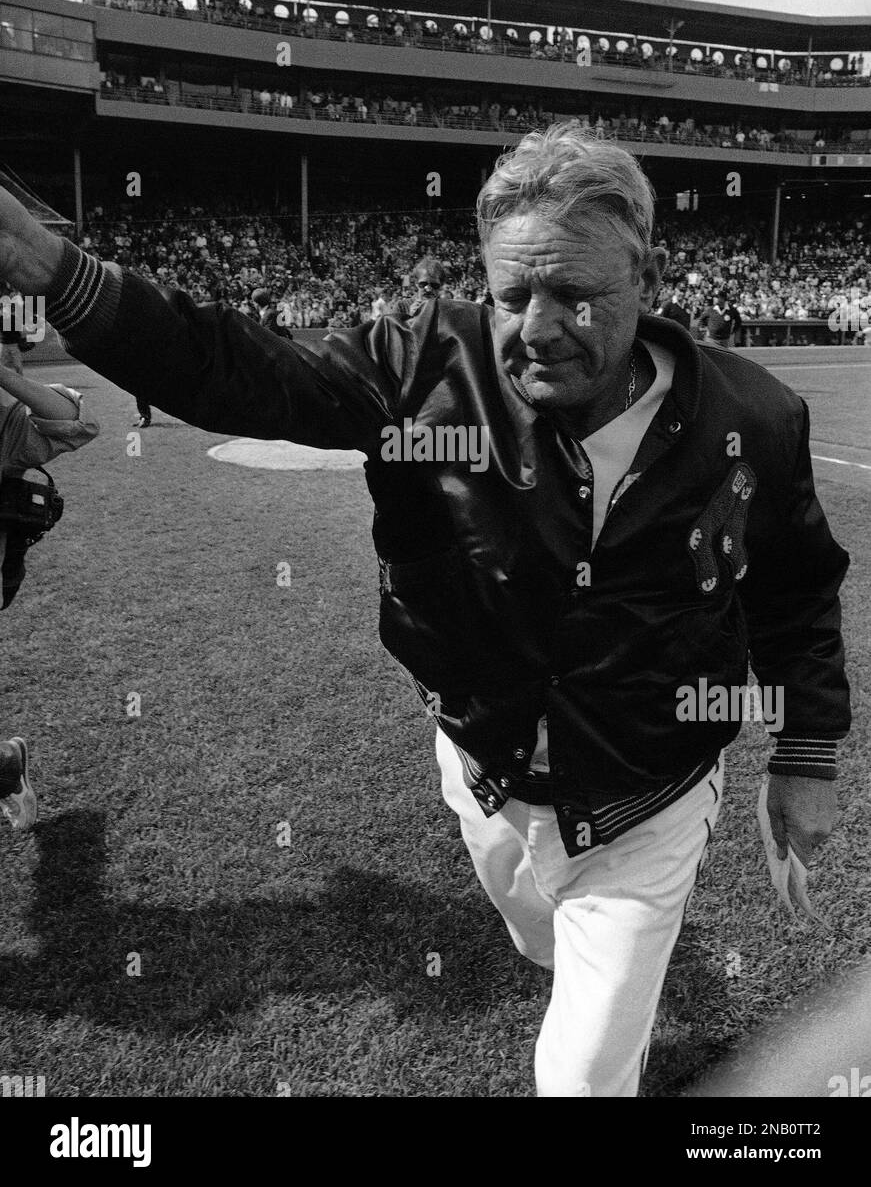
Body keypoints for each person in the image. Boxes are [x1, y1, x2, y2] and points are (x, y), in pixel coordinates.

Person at [0, 123, 850, 1095]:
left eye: (575, 294)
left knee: (579, 1078)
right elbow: (236, 368)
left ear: (645, 275)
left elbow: (794, 595)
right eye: (512, 293)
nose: (537, 327)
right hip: (482, 765)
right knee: (537, 940)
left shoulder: (756, 419)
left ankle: (614, 994)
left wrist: (805, 756)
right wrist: (53, 270)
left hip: (647, 799)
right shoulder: (425, 369)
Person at [0, 360, 99, 829]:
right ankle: (7, 764)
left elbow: (72, 420)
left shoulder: (4, 424)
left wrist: (5, 377)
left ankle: (6, 768)